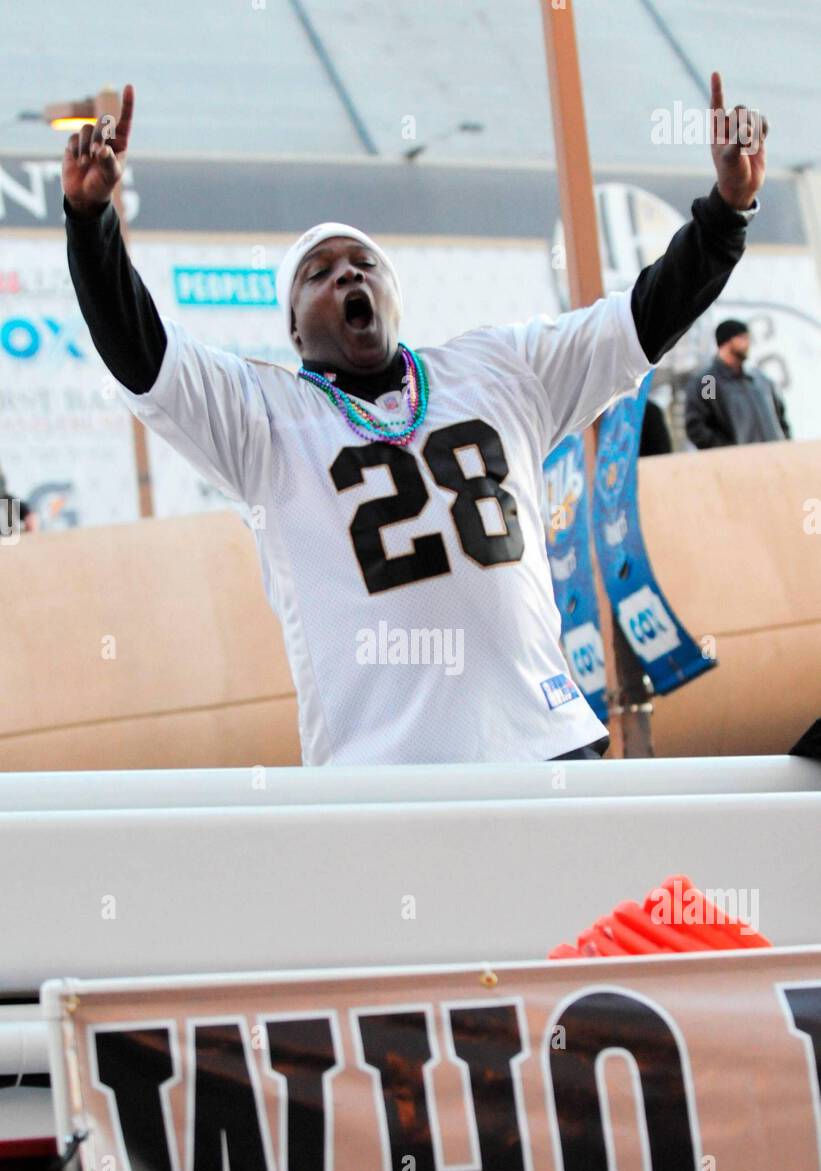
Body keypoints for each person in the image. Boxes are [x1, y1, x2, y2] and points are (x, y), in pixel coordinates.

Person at [62, 74, 767, 767]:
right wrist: (91, 224)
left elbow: (640, 321)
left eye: (363, 263)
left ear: (394, 296)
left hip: (547, 746)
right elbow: (143, 352)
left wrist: (726, 212)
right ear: (294, 332)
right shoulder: (262, 420)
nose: (347, 276)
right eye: (320, 273)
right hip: (389, 776)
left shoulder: (497, 369)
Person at [684, 317, 790, 449]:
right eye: (742, 338)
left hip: (775, 458)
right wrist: (727, 451)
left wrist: (786, 443)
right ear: (726, 342)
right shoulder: (709, 381)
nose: (747, 343)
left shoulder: (759, 379)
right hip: (738, 465)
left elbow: (781, 417)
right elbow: (699, 426)